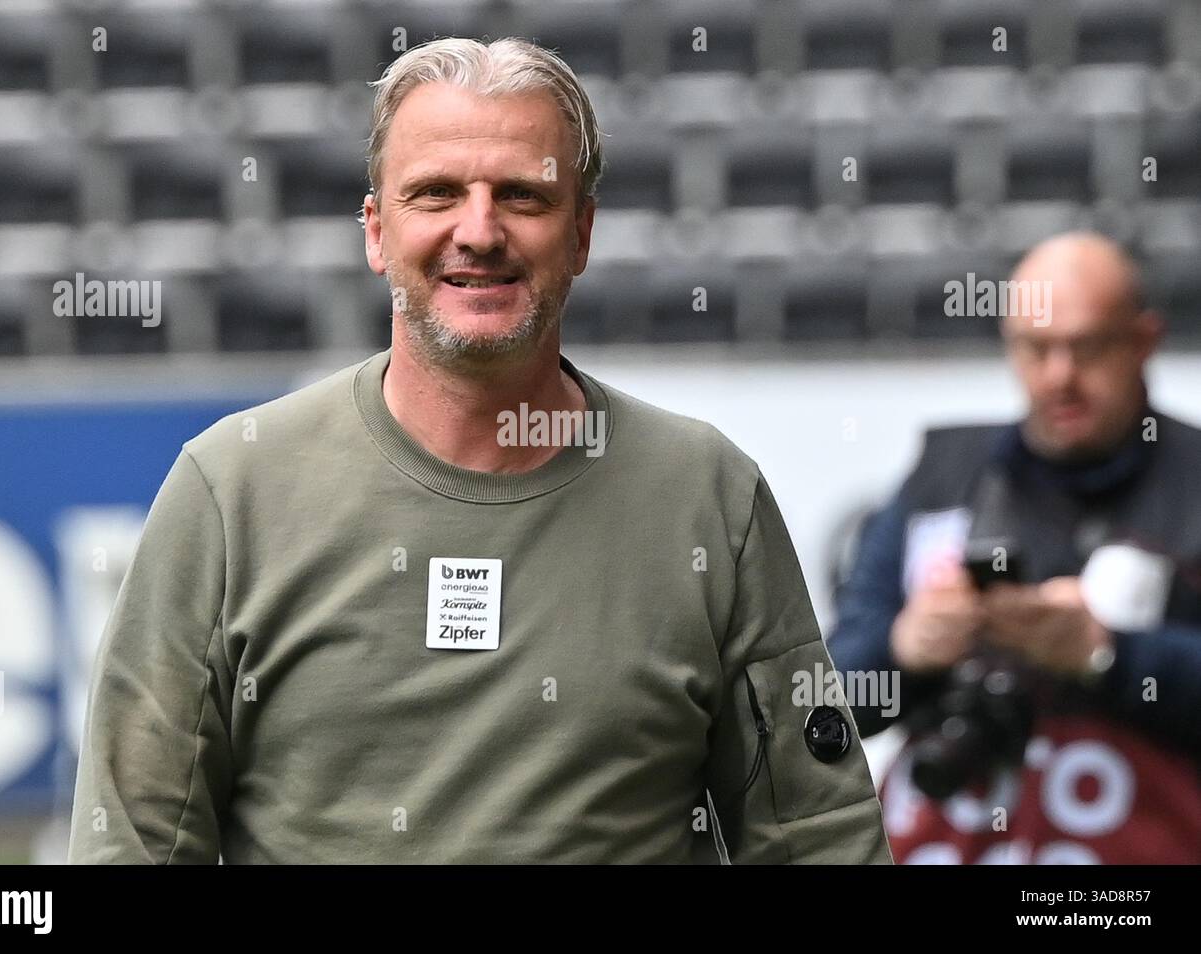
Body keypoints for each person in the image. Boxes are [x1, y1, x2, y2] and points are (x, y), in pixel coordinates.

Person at [68, 37, 890, 864]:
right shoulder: (228, 491)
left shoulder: (710, 498)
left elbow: (816, 836)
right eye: (435, 194)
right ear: (377, 231)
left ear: (581, 235)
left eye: (524, 197)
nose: (479, 230)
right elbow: (134, 842)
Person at [828, 232, 1201, 864]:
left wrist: (1107, 653)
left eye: (1086, 347)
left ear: (1144, 341)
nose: (1060, 376)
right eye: (1037, 348)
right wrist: (906, 647)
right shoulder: (941, 475)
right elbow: (831, 698)